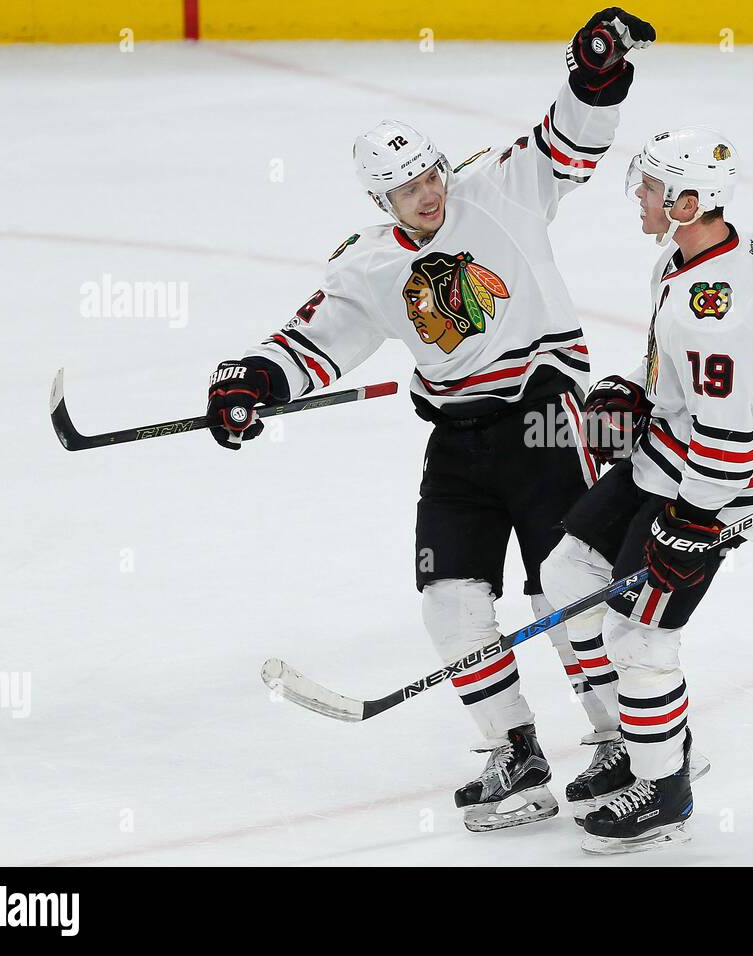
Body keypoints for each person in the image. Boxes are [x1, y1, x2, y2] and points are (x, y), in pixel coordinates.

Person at [204, 9, 656, 832]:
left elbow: (570, 140)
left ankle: (625, 737)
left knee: (566, 586)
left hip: (545, 418)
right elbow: (315, 339)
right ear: (383, 199)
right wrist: (254, 381)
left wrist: (596, 74)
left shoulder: (499, 190)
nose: (430, 190)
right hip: (457, 444)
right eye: (410, 187)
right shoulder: (368, 265)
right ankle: (514, 751)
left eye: (432, 173)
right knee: (449, 602)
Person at [539, 127, 753, 853]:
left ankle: (665, 790)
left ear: (689, 202)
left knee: (639, 632)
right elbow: (693, 388)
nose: (640, 199)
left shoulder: (714, 310)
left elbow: (729, 438)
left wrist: (691, 526)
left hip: (720, 481)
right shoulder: (697, 256)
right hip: (675, 449)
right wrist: (647, 395)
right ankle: (640, 733)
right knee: (567, 572)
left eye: (653, 189)